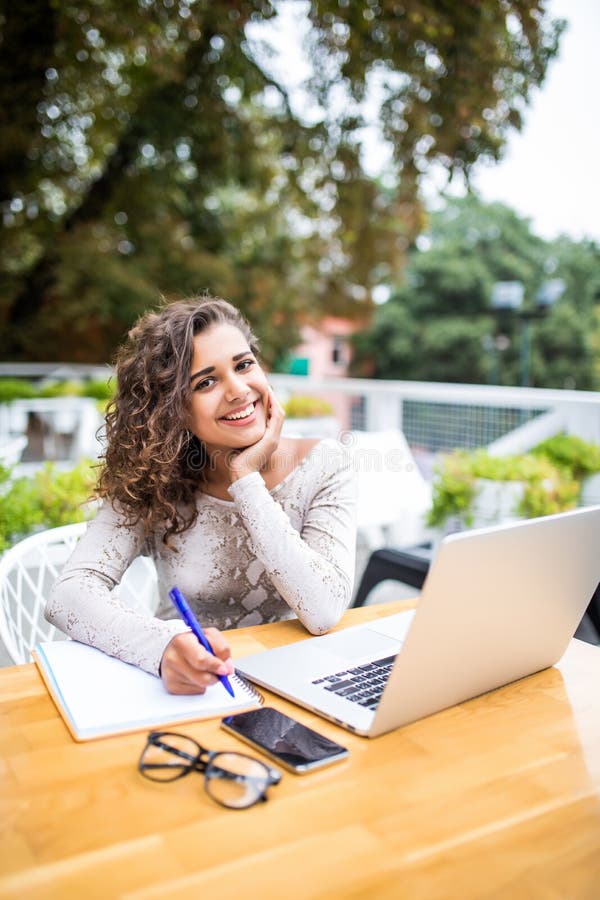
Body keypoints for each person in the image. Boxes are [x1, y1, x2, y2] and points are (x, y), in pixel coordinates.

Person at [46, 296, 357, 694]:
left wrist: (245, 479)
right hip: (192, 689)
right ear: (172, 409)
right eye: (205, 382)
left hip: (301, 685)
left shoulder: (326, 464)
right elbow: (69, 595)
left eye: (244, 365)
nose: (238, 390)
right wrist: (161, 648)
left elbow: (323, 611)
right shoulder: (152, 476)